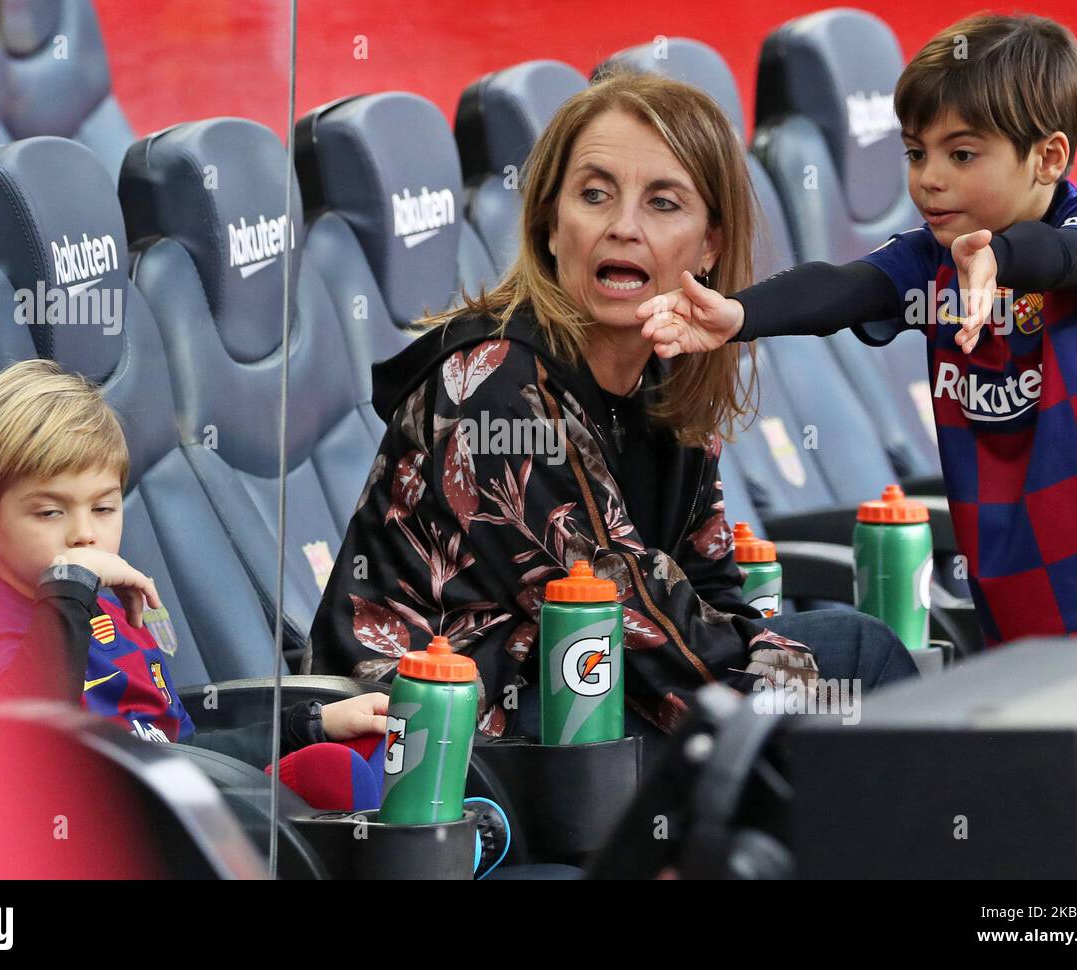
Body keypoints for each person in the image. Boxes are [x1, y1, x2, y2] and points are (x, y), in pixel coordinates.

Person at [310, 70, 917, 740]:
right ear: (548, 226)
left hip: (586, 692)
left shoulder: (665, 369)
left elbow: (709, 586)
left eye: (663, 203)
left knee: (835, 681)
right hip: (450, 739)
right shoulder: (490, 386)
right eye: (594, 195)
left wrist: (776, 677)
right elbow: (608, 601)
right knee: (852, 665)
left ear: (710, 244)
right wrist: (785, 689)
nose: (622, 227)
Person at [640, 14, 1077, 646]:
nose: (928, 178)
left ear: (1048, 157)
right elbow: (846, 287)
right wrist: (741, 315)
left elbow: (1071, 257)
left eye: (962, 154)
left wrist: (1000, 255)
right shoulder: (929, 262)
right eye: (917, 153)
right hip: (1012, 617)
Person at [0, 359, 388, 789]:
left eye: (103, 508)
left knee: (372, 745)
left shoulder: (112, 614)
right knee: (335, 785)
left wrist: (306, 726)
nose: (84, 535)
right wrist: (69, 590)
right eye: (51, 512)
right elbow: (31, 746)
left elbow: (182, 749)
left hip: (180, 809)